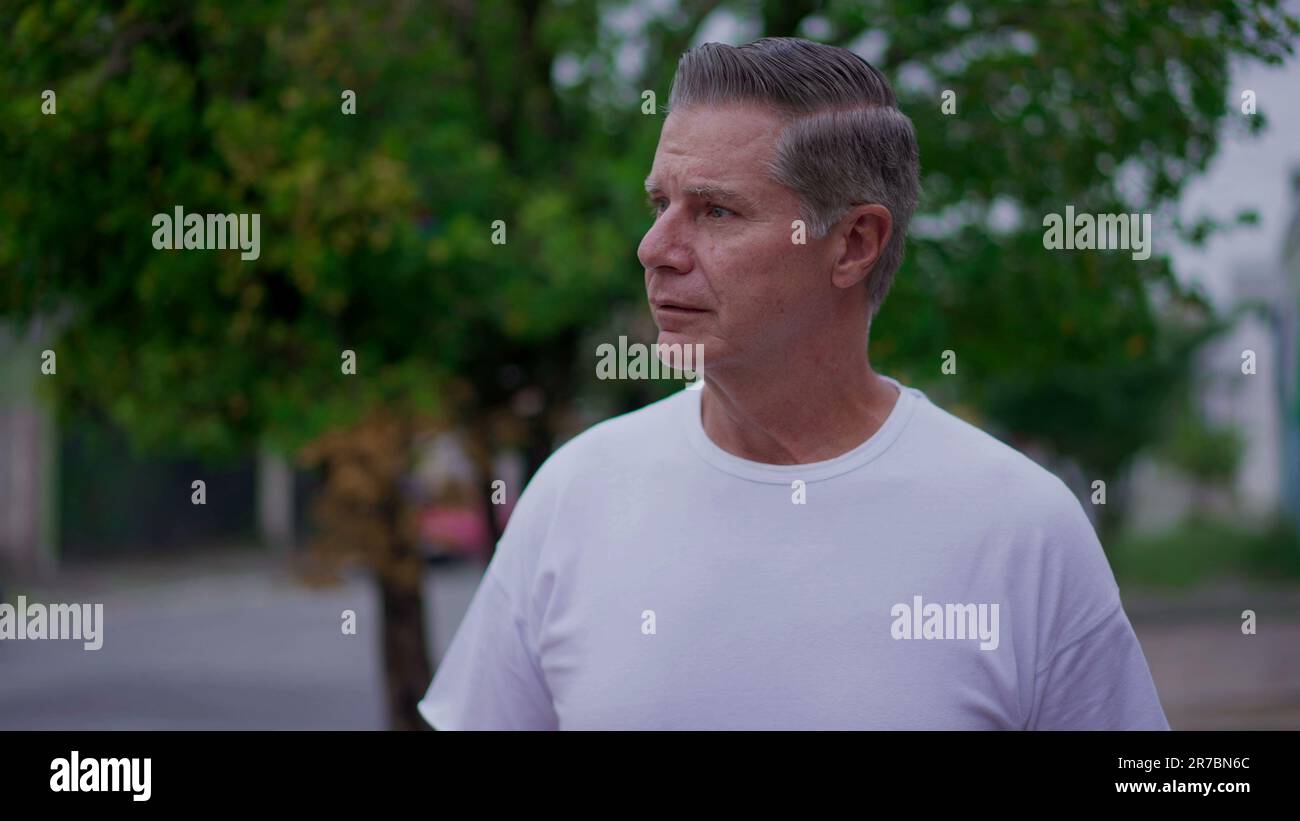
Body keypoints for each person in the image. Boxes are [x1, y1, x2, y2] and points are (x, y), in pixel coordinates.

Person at [418, 36, 1170, 730]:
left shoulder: (1021, 527)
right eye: (659, 204)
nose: (654, 248)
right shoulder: (574, 494)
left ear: (852, 244)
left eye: (714, 210)